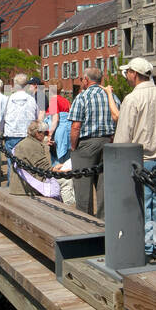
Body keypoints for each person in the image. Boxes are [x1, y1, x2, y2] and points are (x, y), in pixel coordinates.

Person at [114, 57, 156, 263]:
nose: (126, 77)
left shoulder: (132, 99)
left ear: (134, 73)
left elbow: (123, 135)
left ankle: (148, 246)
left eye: (127, 73)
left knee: (144, 203)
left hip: (140, 159)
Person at [69, 67, 119, 217]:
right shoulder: (113, 97)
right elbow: (119, 119)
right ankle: (104, 221)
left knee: (83, 186)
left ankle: (85, 220)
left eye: (81, 79)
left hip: (86, 143)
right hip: (108, 142)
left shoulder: (82, 97)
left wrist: (73, 146)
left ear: (86, 80)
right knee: (104, 185)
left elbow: (76, 126)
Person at [9, 120, 59, 197]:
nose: (47, 135)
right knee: (66, 182)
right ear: (37, 133)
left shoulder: (24, 142)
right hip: (26, 190)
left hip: (17, 187)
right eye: (45, 133)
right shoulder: (35, 146)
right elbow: (46, 169)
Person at [47, 90, 75, 205]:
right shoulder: (66, 101)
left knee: (58, 163)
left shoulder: (54, 100)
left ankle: (60, 195)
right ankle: (69, 195)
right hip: (68, 131)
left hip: (59, 131)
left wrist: (49, 134)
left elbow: (55, 119)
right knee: (67, 163)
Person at [2, 73, 37, 158]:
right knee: (27, 164)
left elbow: (3, 116)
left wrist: (2, 130)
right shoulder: (31, 99)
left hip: (11, 133)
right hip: (26, 134)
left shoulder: (8, 98)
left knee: (11, 162)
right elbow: (35, 117)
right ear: (26, 85)